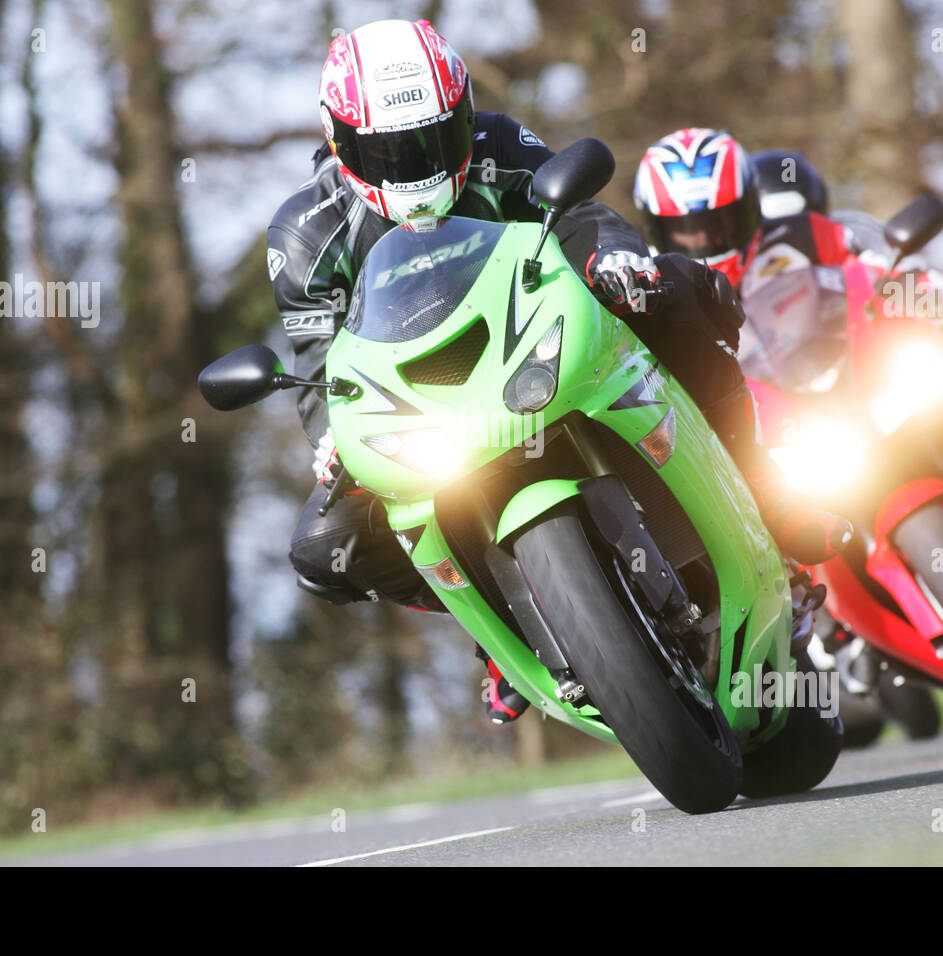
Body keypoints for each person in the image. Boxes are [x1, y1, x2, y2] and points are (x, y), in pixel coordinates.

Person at [269, 22, 851, 725]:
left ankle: (763, 493)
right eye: (387, 150)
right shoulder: (306, 232)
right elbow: (320, 362)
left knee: (683, 286)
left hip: (532, 352)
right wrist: (332, 434)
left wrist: (614, 261)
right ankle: (490, 626)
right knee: (323, 547)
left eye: (432, 137)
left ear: (463, 113)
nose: (413, 163)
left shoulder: (499, 144)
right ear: (340, 143)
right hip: (424, 412)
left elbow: (578, 215)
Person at [634, 131, 943, 544]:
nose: (702, 240)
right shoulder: (663, 297)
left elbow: (882, 262)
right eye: (685, 230)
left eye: (715, 222)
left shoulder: (803, 233)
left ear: (747, 207)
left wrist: (932, 294)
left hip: (860, 378)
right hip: (785, 437)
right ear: (656, 229)